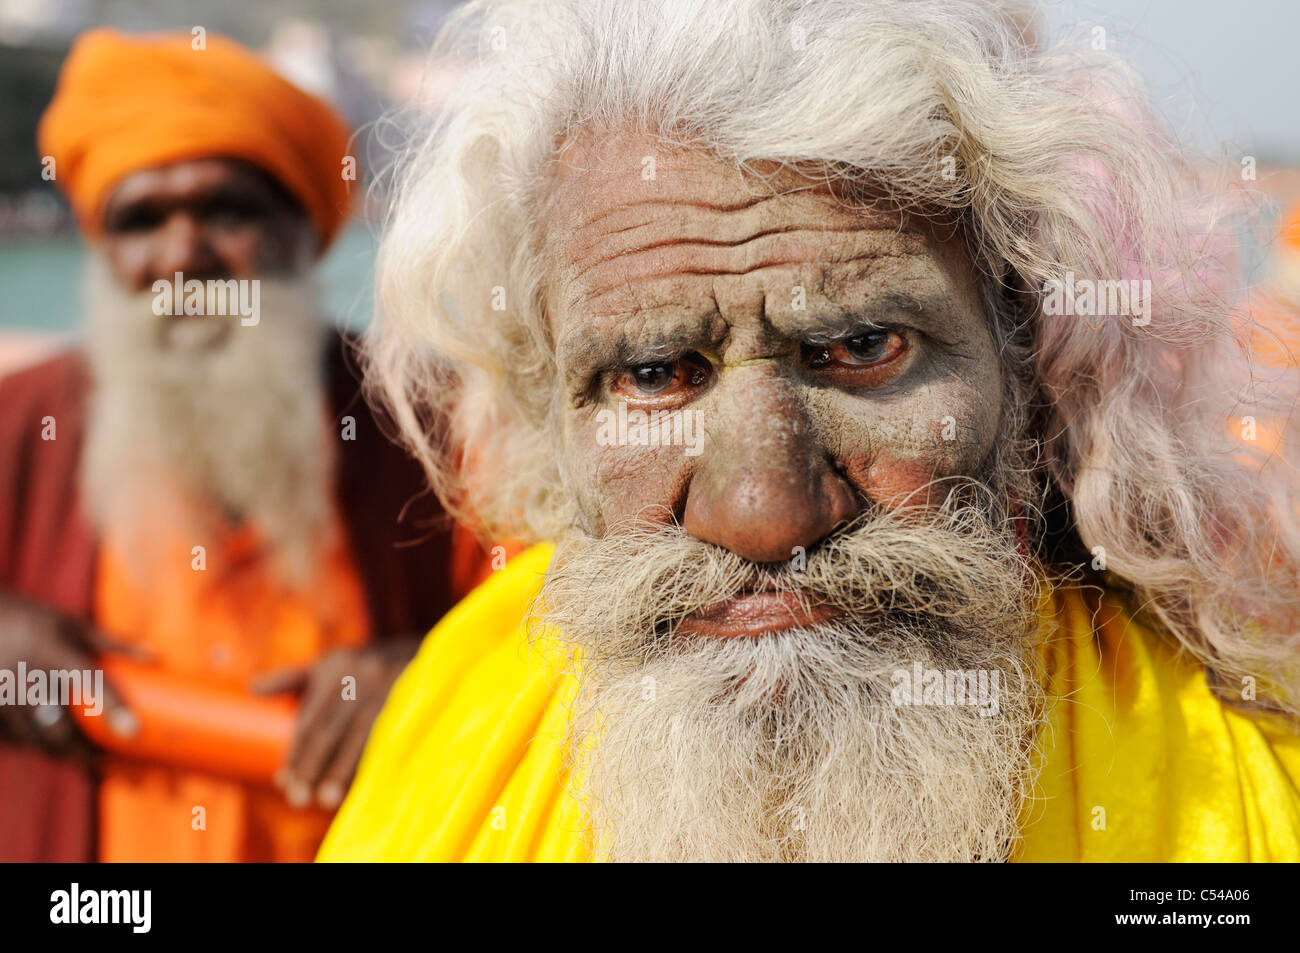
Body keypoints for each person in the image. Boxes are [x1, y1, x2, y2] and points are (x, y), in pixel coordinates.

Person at [320, 0, 1300, 862]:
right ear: (552, 410)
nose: (766, 512)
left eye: (863, 345)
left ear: (1033, 363)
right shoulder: (463, 715)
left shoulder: (1251, 788)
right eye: (653, 372)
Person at [0, 28, 487, 862]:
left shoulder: (434, 427)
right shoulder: (21, 422)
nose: (183, 255)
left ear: (303, 233)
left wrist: (441, 669)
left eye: (227, 209)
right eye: (142, 219)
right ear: (103, 249)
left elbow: (566, 625)